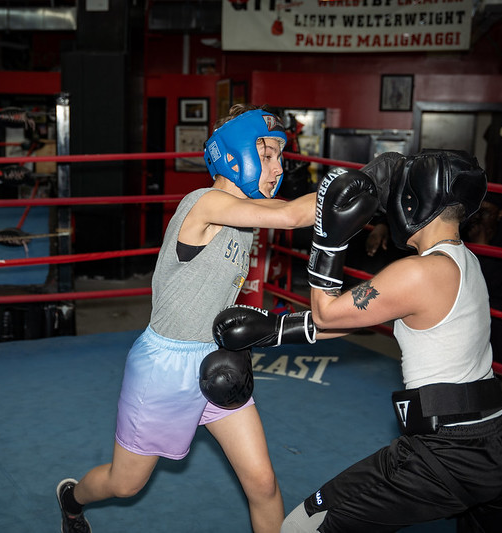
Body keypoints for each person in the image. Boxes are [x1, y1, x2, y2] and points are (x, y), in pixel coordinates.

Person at [213, 149, 502, 532]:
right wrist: (277, 331)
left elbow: (328, 311)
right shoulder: (464, 261)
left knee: (304, 524)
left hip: (447, 454)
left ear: (412, 199)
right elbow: (356, 314)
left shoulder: (418, 273)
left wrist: (329, 236)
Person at [56, 104, 320, 533]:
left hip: (219, 363)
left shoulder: (245, 217)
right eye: (267, 155)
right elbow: (289, 216)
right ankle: (72, 499)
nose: (278, 168)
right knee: (125, 484)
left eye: (279, 157)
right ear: (235, 156)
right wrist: (362, 185)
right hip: (164, 367)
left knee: (263, 484)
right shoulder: (205, 203)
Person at [462, 192, 502, 366]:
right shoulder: (465, 230)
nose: (480, 218)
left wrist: (483, 249)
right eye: (477, 211)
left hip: (496, 302)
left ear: (500, 214)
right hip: (464, 299)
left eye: (487, 212)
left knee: (492, 356)